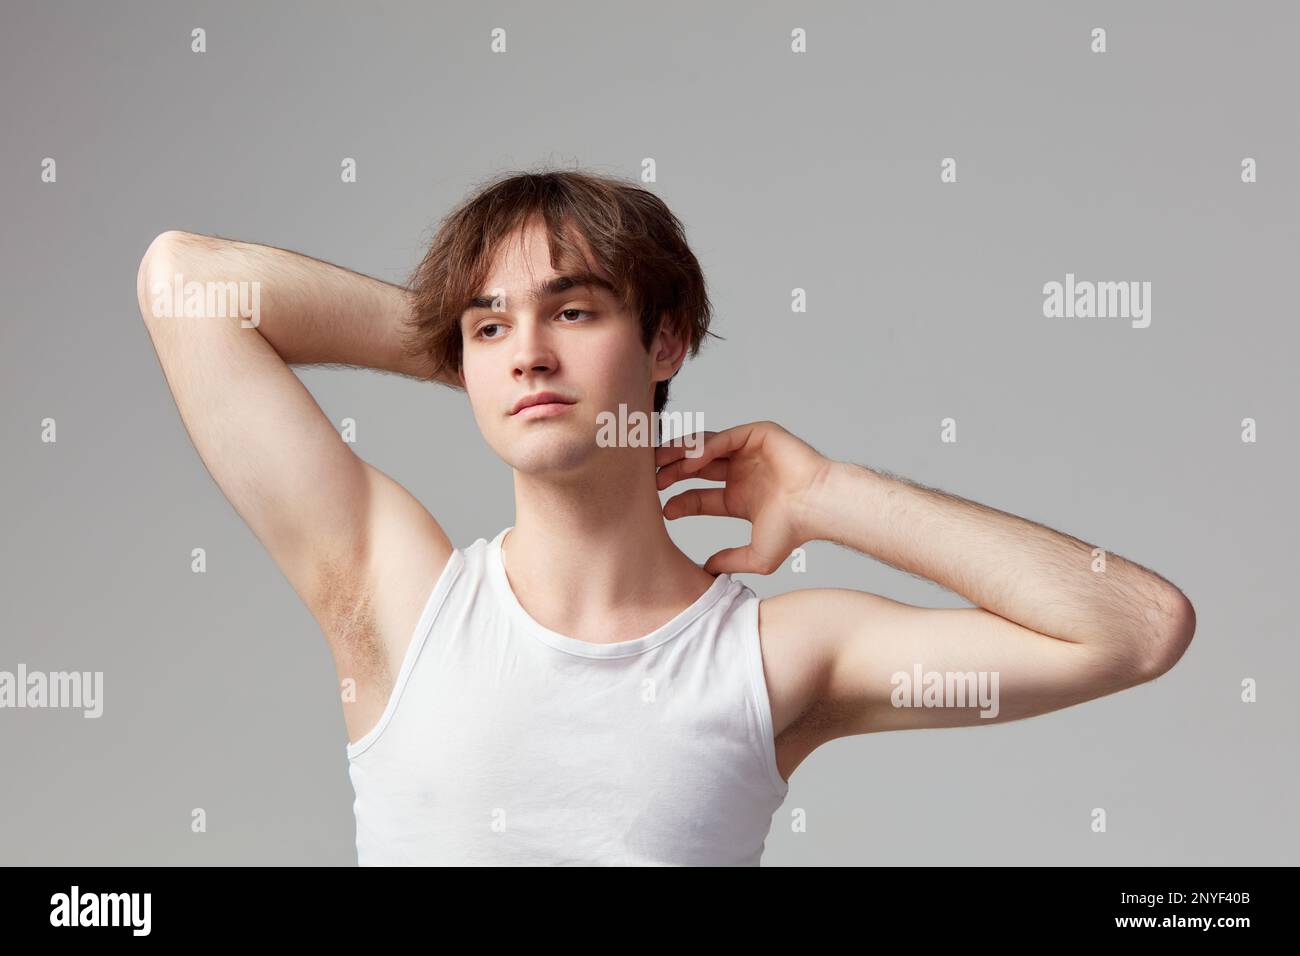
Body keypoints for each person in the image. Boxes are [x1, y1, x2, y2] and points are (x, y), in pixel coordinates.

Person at [136, 168, 1195, 866]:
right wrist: (470, 344)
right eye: (493, 322)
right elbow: (183, 281)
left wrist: (828, 494)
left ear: (668, 340)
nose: (531, 347)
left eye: (576, 309)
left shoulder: (774, 658)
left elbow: (1135, 628)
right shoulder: (397, 596)